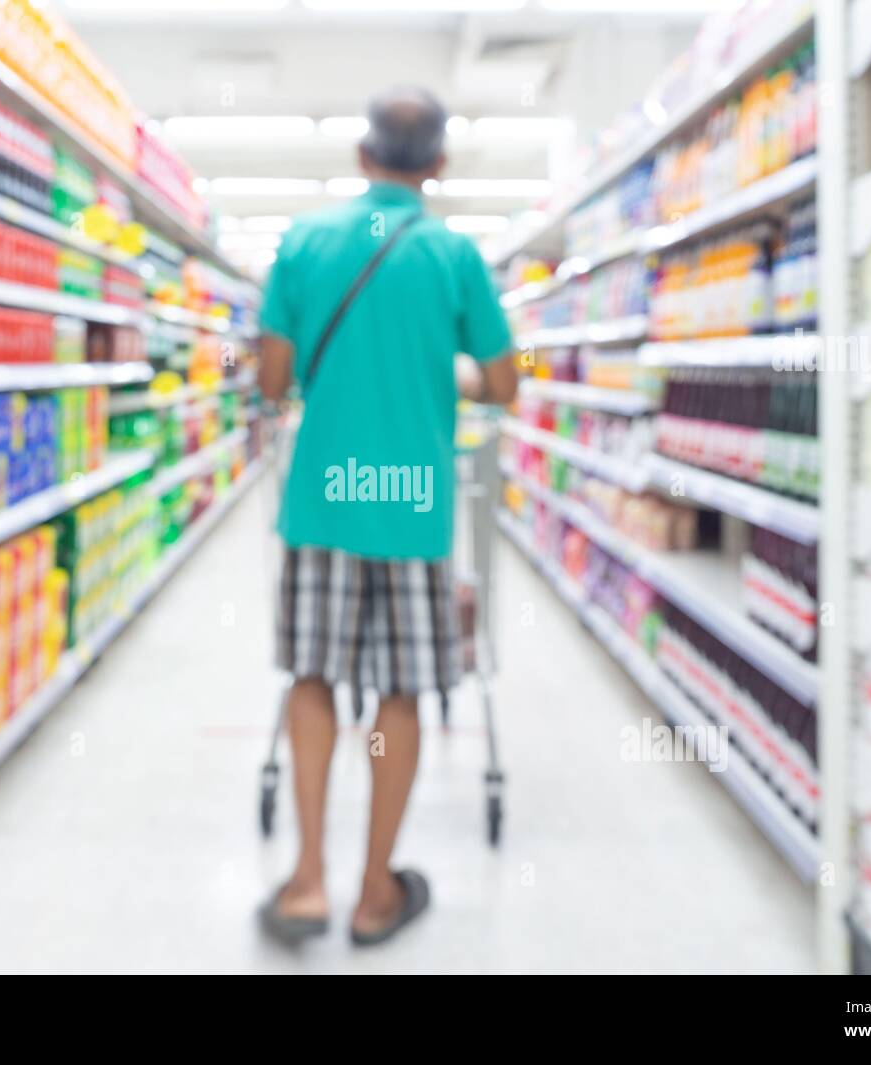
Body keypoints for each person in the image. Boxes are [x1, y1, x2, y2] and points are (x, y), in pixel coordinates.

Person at [256, 85, 518, 947]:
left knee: (313, 676)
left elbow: (270, 378)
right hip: (411, 508)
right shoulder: (454, 256)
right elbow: (503, 383)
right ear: (438, 165)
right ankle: (376, 891)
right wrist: (446, 374)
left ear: (361, 156)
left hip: (322, 499)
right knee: (400, 690)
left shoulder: (304, 241)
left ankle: (304, 882)